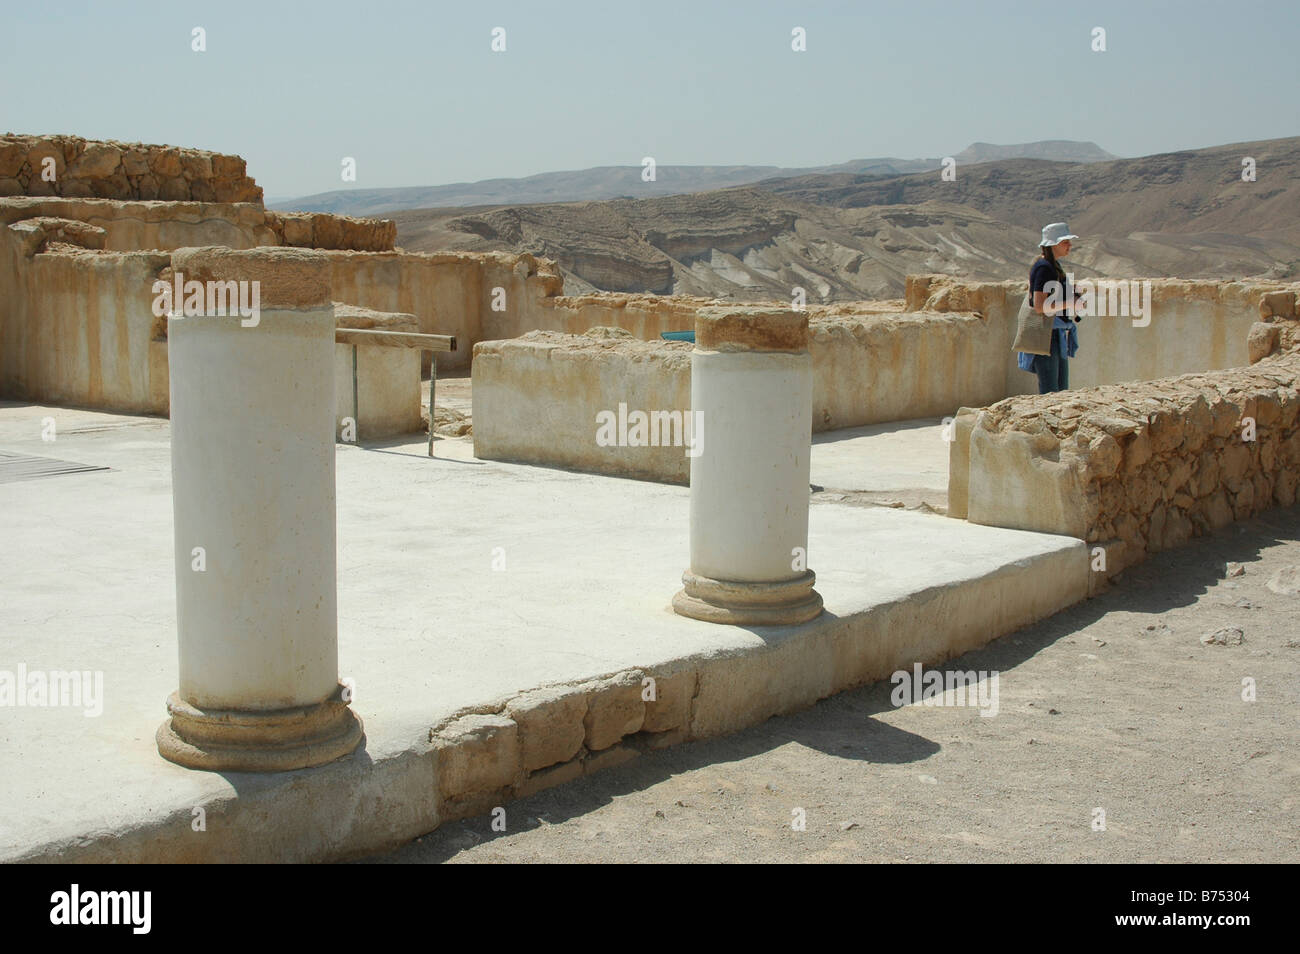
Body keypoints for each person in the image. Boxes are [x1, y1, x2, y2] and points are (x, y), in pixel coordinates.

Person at [1017, 222, 1081, 393]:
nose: (1069, 245)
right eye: (1065, 242)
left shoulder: (1053, 267)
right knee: (1051, 392)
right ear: (1053, 244)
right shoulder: (1045, 268)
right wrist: (1071, 303)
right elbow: (1039, 306)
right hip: (1047, 336)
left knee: (1060, 391)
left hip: (1054, 335)